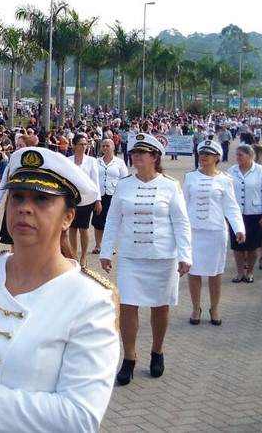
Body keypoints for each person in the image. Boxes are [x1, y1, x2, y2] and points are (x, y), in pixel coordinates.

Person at [0, 146, 119, 431]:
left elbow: (80, 417)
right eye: (17, 196)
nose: (24, 207)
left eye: (41, 199)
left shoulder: (91, 300)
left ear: (68, 217)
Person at [100, 133, 191, 385]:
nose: (136, 156)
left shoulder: (170, 185)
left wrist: (185, 255)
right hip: (132, 256)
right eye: (134, 152)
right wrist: (106, 251)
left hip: (162, 256)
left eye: (142, 152)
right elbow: (113, 220)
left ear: (155, 157)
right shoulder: (125, 184)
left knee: (160, 307)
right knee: (127, 305)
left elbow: (181, 223)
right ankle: (129, 357)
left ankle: (157, 351)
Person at [182, 140, 245, 326]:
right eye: (201, 153)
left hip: (216, 231)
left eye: (208, 154)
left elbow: (231, 207)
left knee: (215, 272)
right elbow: (183, 204)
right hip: (194, 231)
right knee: (193, 271)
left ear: (217, 157)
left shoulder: (225, 180)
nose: (203, 157)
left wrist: (239, 229)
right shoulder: (190, 177)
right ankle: (195, 307)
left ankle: (214, 308)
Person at [227, 144, 262, 283]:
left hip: (255, 213)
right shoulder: (231, 171)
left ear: (250, 156)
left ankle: (250, 272)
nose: (237, 157)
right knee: (237, 245)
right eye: (237, 155)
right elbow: (227, 194)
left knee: (253, 245)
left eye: (240, 155)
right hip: (236, 214)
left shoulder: (261, 171)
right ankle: (240, 272)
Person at [66, 134, 102, 268]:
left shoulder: (92, 161)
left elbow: (95, 181)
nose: (83, 147)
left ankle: (83, 256)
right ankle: (73, 254)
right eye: (80, 144)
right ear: (74, 145)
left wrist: (98, 200)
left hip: (87, 199)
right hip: (72, 198)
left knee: (84, 228)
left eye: (85, 144)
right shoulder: (68, 160)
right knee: (73, 228)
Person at [92, 138, 127, 256]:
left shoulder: (119, 162)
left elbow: (124, 179)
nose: (105, 148)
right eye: (104, 146)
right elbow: (92, 177)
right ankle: (98, 244)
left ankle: (109, 246)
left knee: (111, 221)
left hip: (113, 195)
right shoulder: (96, 162)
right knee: (98, 221)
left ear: (113, 147)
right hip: (99, 195)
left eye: (108, 146)